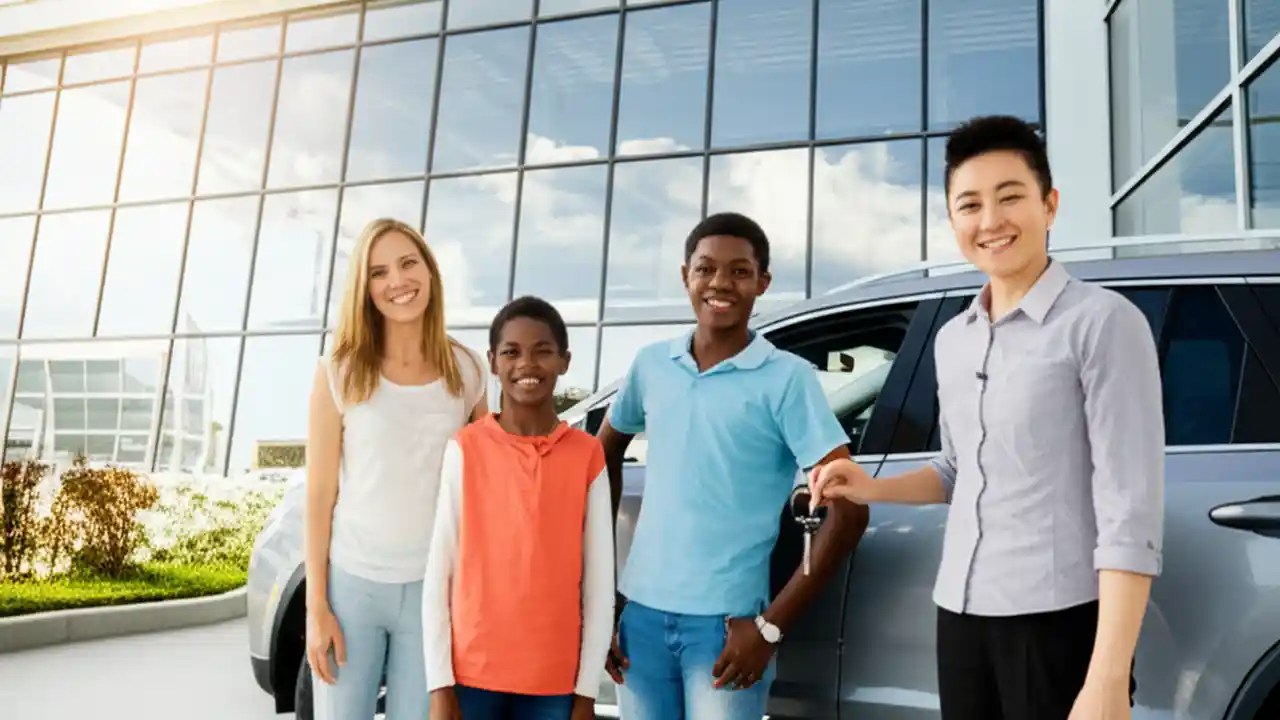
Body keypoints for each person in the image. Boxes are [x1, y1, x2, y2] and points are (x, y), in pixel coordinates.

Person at [811, 115, 1164, 720]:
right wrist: (872, 486)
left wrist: (1106, 676)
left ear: (1049, 206)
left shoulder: (1103, 323)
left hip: (1058, 621)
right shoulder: (954, 339)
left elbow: (1129, 508)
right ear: (953, 223)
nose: (991, 221)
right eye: (969, 205)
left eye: (1010, 197)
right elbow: (957, 471)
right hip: (962, 615)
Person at [595, 212, 870, 720]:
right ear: (686, 276)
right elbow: (603, 454)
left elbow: (850, 507)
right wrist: (605, 599)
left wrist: (771, 627)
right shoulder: (651, 365)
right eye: (706, 269)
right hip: (638, 621)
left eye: (740, 271)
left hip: (726, 631)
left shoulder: (787, 379)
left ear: (762, 283)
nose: (720, 282)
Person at [304, 217, 488, 719]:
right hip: (353, 589)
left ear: (430, 271)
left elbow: (483, 492)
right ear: (365, 288)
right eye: (379, 272)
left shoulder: (468, 370)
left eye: (408, 263)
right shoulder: (338, 370)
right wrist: (315, 608)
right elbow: (319, 495)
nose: (397, 282)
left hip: (434, 594)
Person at [422, 295, 614, 720]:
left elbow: (599, 587)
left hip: (554, 683)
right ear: (493, 362)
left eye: (542, 351)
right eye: (511, 352)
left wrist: (585, 695)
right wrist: (439, 685)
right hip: (471, 677)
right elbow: (439, 573)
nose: (526, 363)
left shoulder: (587, 456)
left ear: (564, 361)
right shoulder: (465, 449)